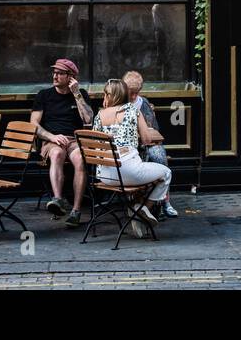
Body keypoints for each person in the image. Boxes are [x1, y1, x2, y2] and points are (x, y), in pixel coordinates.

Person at [92, 78, 172, 237]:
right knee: (166, 173)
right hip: (129, 172)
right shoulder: (132, 110)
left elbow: (95, 145)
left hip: (105, 176)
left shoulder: (99, 115)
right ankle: (142, 209)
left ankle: (138, 209)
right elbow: (148, 140)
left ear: (110, 96)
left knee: (142, 172)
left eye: (105, 94)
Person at [31, 58, 94, 227]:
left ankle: (76, 211)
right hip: (52, 140)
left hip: (74, 140)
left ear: (71, 77)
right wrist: (52, 137)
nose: (55, 76)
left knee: (81, 159)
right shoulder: (44, 95)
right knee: (57, 153)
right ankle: (58, 199)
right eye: (54, 72)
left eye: (60, 73)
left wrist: (77, 94)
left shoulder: (81, 94)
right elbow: (33, 125)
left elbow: (89, 119)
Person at [122, 69, 178, 217]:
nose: (133, 96)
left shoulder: (144, 103)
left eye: (136, 92)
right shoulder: (118, 103)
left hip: (147, 143)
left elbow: (153, 130)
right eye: (130, 92)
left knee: (159, 155)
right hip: (128, 148)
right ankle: (141, 202)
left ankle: (164, 201)